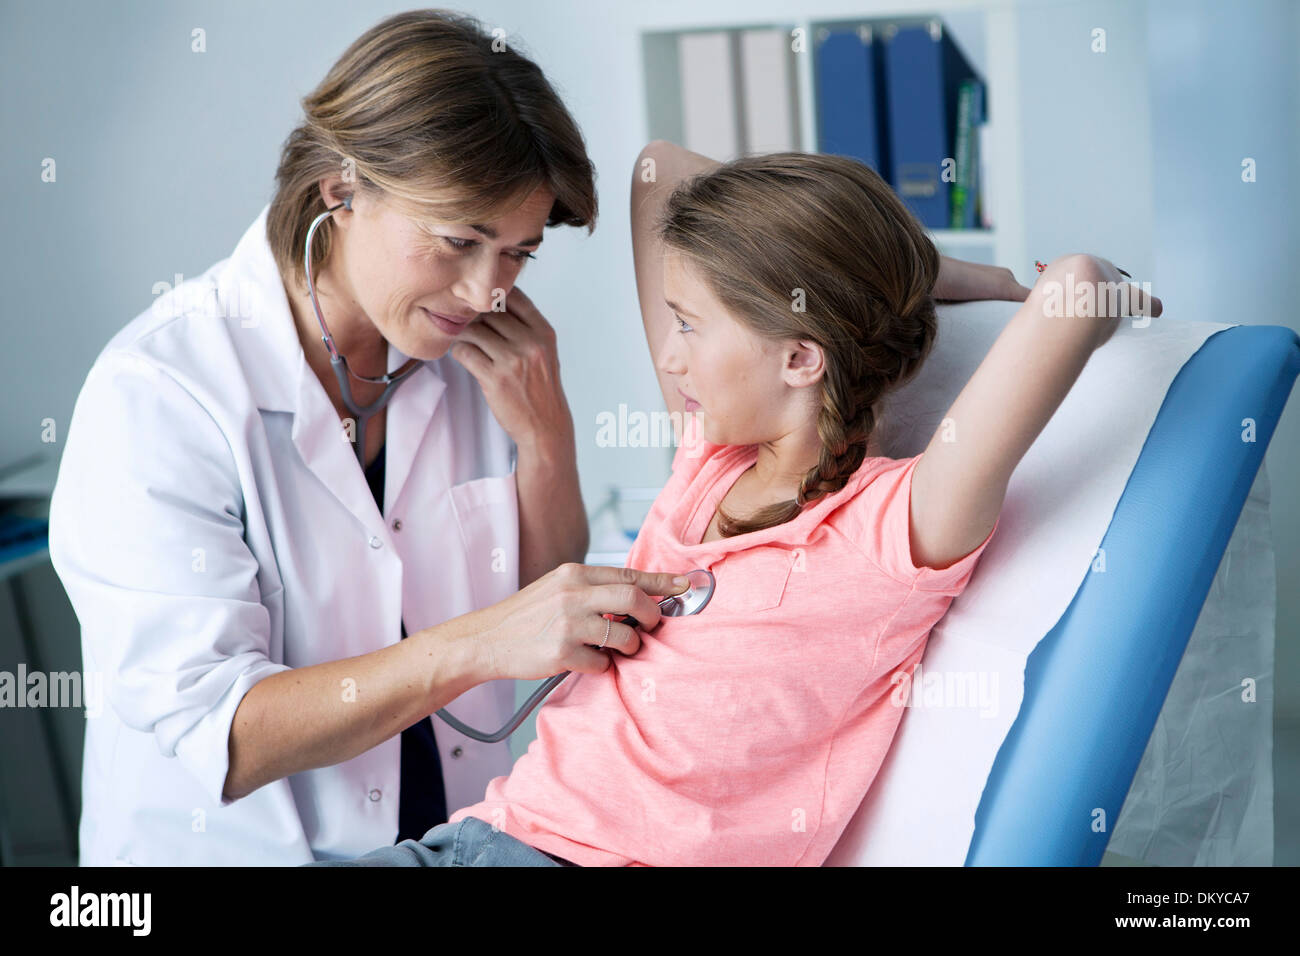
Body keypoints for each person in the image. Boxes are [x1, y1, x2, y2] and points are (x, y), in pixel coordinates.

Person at [306, 139, 1160, 867]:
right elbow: (659, 170)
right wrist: (921, 272)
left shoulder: (887, 534)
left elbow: (1074, 288)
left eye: (690, 324)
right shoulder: (707, 459)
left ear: (799, 359)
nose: (671, 360)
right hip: (478, 837)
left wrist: (909, 283)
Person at [46, 10, 688, 866]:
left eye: (517, 254)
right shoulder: (161, 395)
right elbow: (227, 733)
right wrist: (480, 641)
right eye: (459, 240)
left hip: (448, 838)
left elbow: (539, 596)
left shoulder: (470, 357)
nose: (486, 289)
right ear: (341, 191)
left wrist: (548, 440)